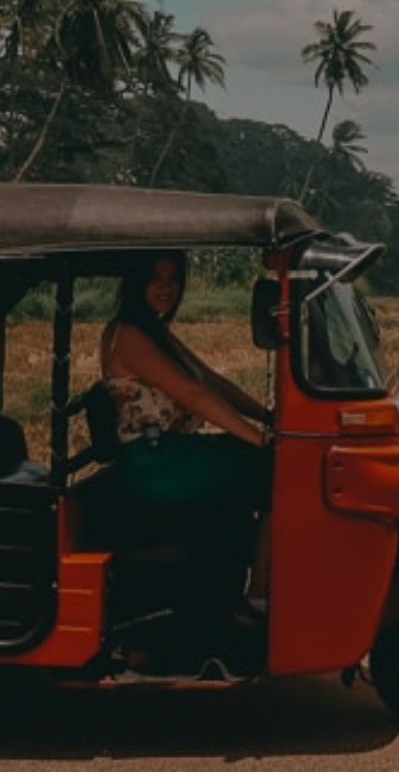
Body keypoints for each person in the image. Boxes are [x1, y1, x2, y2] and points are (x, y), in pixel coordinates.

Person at [101, 250, 273, 606]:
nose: (166, 288)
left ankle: (243, 590)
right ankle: (259, 599)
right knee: (276, 471)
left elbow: (209, 381)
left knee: (260, 461)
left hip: (175, 453)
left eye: (173, 280)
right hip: (155, 461)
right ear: (138, 284)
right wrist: (260, 440)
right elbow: (193, 396)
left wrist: (267, 417)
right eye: (156, 279)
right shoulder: (130, 334)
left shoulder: (155, 330)